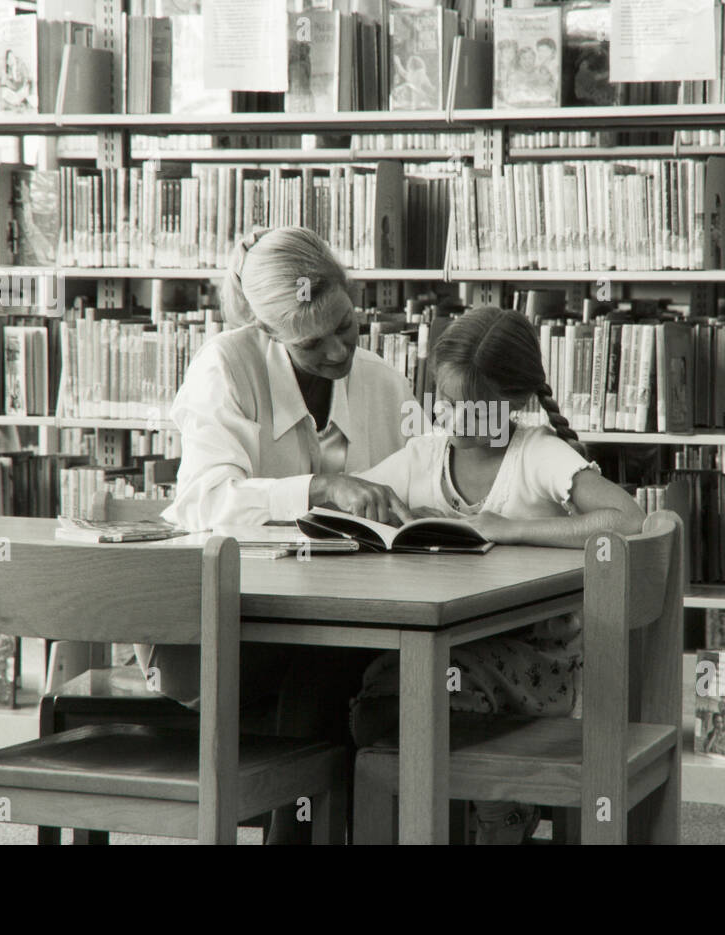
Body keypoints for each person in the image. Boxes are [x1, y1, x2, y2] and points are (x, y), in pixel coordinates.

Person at [143, 226, 418, 842]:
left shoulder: (383, 382)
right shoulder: (226, 365)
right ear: (269, 334)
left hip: (335, 619)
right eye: (311, 343)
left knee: (343, 655)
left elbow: (421, 482)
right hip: (206, 630)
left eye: (346, 326)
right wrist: (318, 489)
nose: (339, 353)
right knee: (336, 665)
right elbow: (205, 504)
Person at [349, 307, 647, 843]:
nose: (454, 421)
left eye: (473, 409)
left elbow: (628, 518)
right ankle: (455, 810)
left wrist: (508, 528)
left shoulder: (538, 455)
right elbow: (351, 498)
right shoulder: (422, 456)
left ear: (518, 403)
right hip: (449, 642)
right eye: (445, 403)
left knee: (425, 694)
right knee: (383, 698)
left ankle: (497, 805)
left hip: (538, 662)